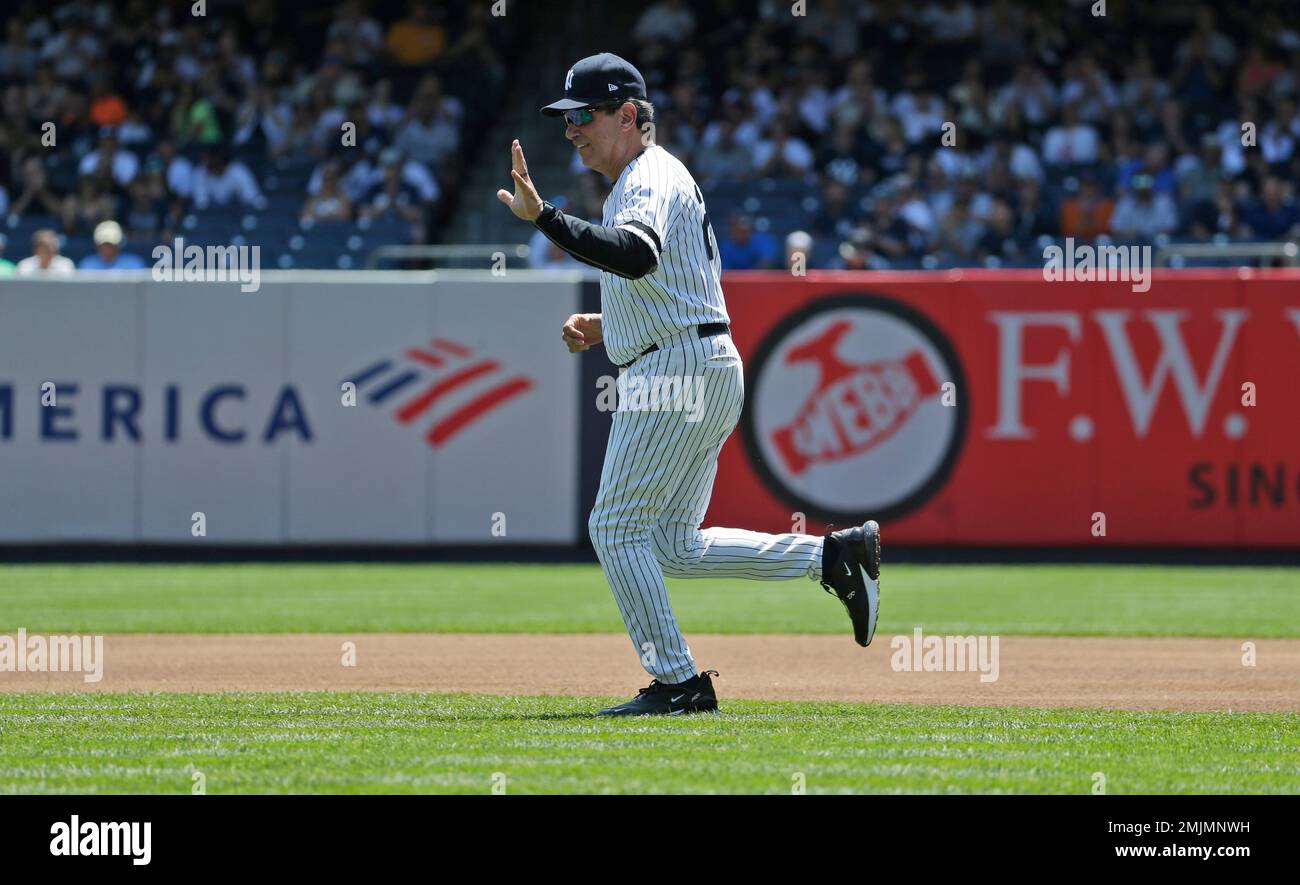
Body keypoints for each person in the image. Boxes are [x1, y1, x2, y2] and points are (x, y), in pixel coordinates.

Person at [495, 53, 882, 717]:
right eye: (565, 118)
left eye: (583, 115)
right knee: (674, 543)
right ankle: (832, 558)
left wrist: (546, 219)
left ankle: (678, 682)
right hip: (695, 358)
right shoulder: (650, 178)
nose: (571, 129)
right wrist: (606, 325)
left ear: (627, 115)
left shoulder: (647, 173)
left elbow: (638, 253)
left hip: (676, 370)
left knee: (614, 527)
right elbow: (664, 280)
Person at [78, 221, 147, 271]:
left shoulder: (134, 264)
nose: (108, 247)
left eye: (111, 244)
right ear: (97, 245)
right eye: (104, 244)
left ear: (119, 244)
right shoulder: (87, 265)